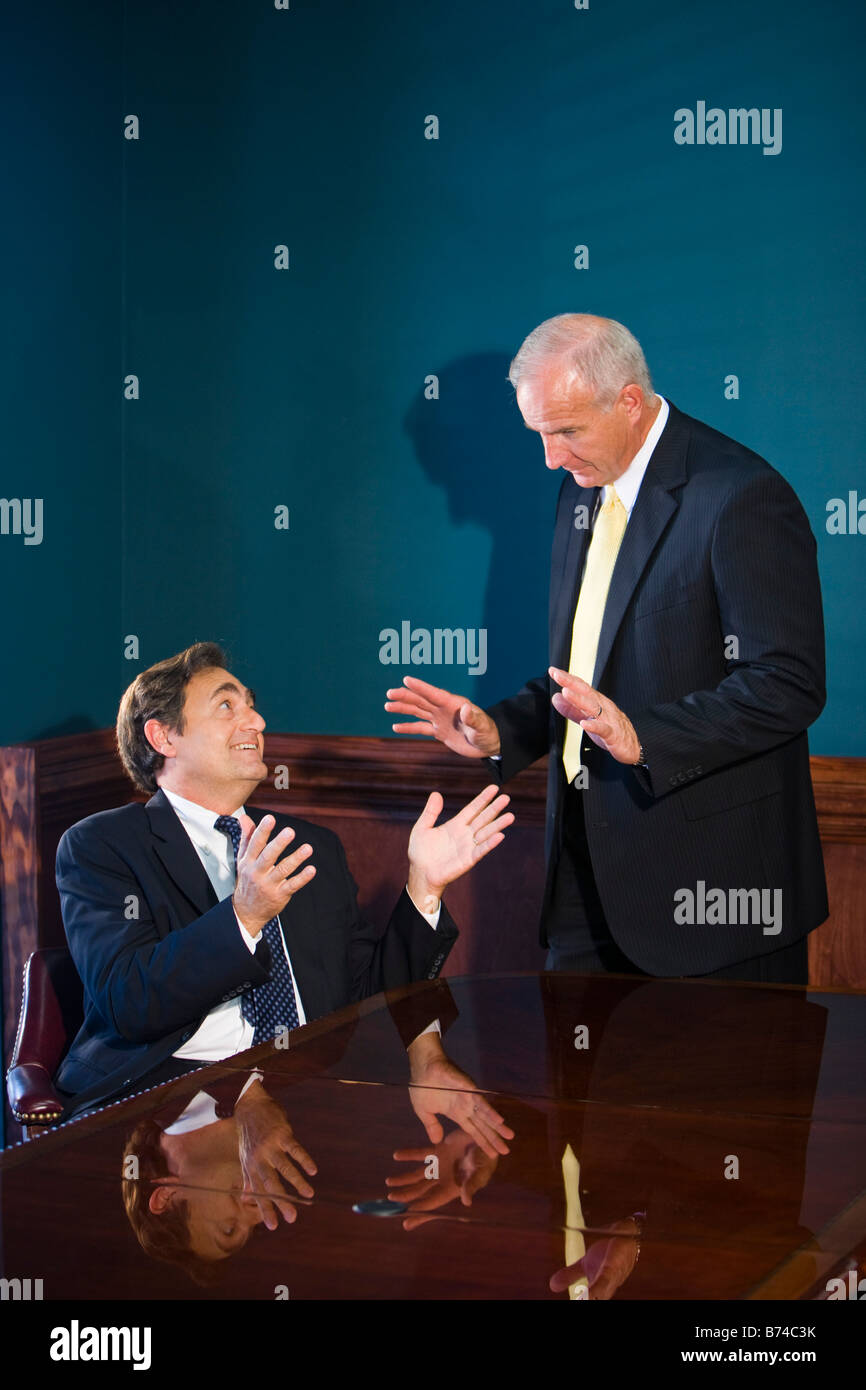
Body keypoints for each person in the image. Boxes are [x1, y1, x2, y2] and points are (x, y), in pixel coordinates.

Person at [386, 314, 827, 983]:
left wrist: (642, 736)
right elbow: (588, 672)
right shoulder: (579, 490)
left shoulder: (739, 495)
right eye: (539, 433)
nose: (550, 458)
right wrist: (498, 729)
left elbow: (787, 684)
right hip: (582, 890)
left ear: (628, 400)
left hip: (715, 905)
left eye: (566, 430)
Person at [55, 642, 513, 1118]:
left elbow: (370, 999)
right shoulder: (102, 846)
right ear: (164, 737)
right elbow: (130, 1005)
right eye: (227, 706)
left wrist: (424, 887)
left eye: (252, 706)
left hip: (308, 1091)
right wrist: (244, 915)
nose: (256, 722)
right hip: (169, 1095)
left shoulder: (308, 846)